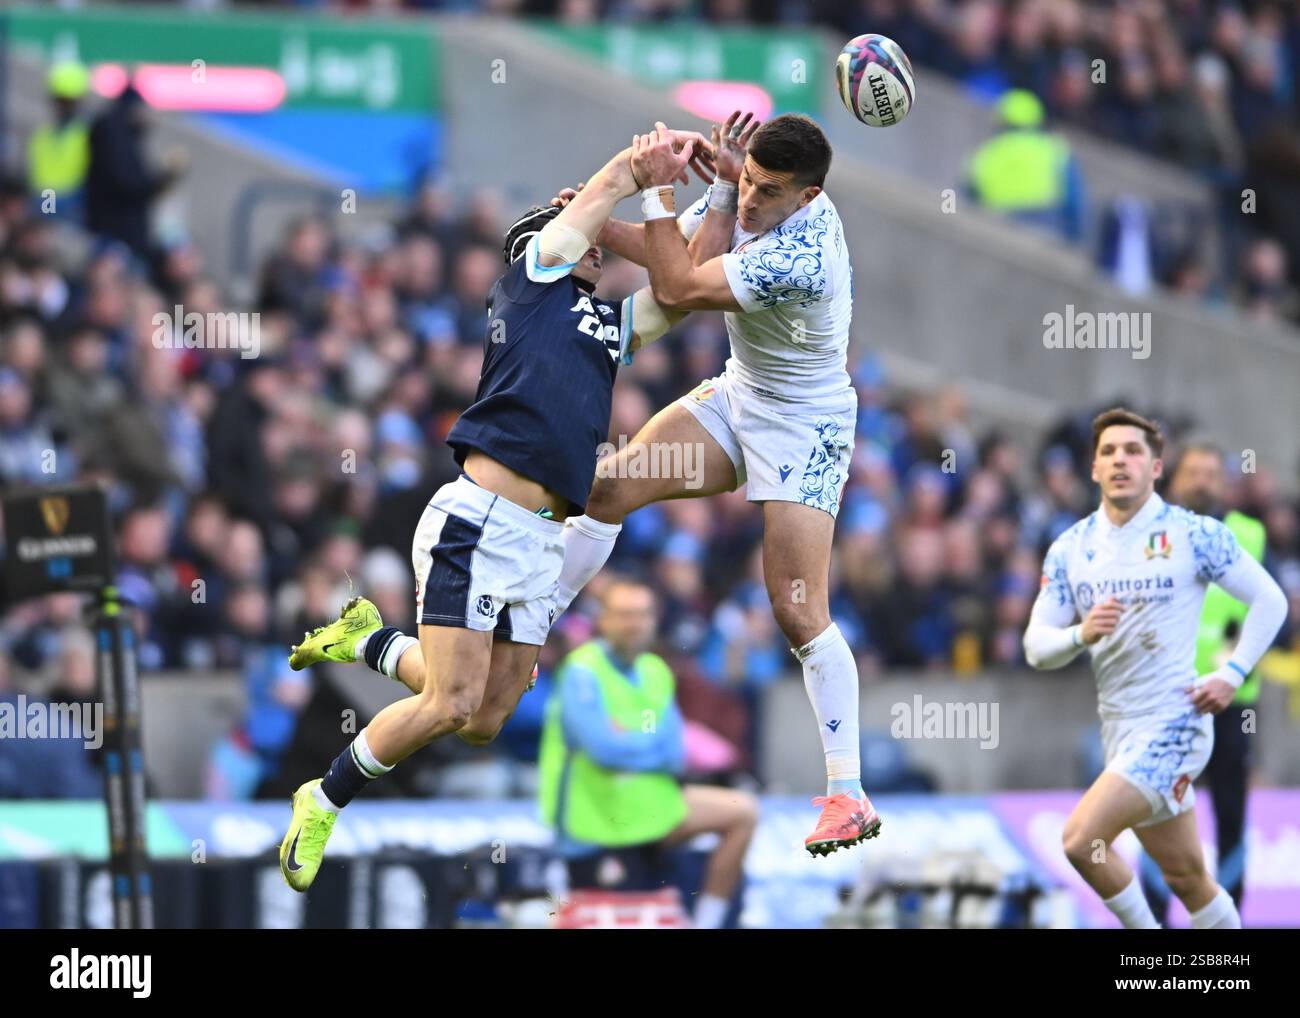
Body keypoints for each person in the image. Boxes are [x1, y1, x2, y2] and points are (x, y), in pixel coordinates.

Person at [274, 125, 715, 892]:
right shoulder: (529, 285)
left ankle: (370, 642)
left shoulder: (603, 328)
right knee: (448, 702)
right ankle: (325, 793)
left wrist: (720, 195)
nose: (596, 251)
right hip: (480, 522)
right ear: (539, 243)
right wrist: (640, 170)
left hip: (542, 543)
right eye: (580, 238)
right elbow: (606, 188)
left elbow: (683, 283)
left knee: (483, 718)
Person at [553, 112, 884, 856]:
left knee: (797, 612)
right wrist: (593, 219)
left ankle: (848, 794)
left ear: (809, 197)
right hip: (743, 399)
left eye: (769, 191)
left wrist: (655, 194)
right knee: (608, 488)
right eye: (751, 182)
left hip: (807, 428)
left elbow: (676, 286)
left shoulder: (801, 253)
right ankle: (538, 620)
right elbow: (678, 253)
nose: (753, 197)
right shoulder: (751, 184)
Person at [1023, 408, 1287, 929]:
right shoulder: (1070, 549)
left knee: (1082, 841)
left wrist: (1233, 673)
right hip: (1120, 732)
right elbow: (1036, 645)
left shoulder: (1194, 534)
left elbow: (1271, 601)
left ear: (1156, 468)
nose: (1120, 459)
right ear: (1093, 468)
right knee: (1189, 879)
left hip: (1177, 724)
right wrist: (1081, 634)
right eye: (1108, 452)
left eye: (1134, 451)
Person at [539, 578, 758, 929]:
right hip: (597, 814)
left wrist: (628, 743)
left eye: (642, 614)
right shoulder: (581, 671)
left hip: (651, 805)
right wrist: (643, 745)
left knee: (742, 813)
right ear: (604, 620)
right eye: (624, 614)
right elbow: (602, 749)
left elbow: (673, 752)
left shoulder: (655, 670)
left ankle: (708, 923)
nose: (634, 624)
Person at [1140, 442, 1270, 920]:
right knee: (1152, 808)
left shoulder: (1250, 535)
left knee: (1230, 816)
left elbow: (1270, 609)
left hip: (1232, 704)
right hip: (1165, 701)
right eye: (1193, 472)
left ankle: (1226, 918)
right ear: (1174, 479)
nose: (1201, 481)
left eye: (1211, 473)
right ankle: (1153, 919)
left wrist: (1234, 664)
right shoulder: (1153, 533)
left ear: (1225, 482)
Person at [966, 89, 1085, 242]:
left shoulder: (986, 151)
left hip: (995, 229)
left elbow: (969, 194)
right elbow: (1074, 203)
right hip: (1045, 230)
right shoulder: (1056, 150)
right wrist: (1074, 238)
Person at [27, 62, 91, 216]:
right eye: (60, 101)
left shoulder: (85, 133)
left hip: (71, 200)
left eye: (67, 102)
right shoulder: (43, 134)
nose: (62, 106)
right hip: (45, 197)